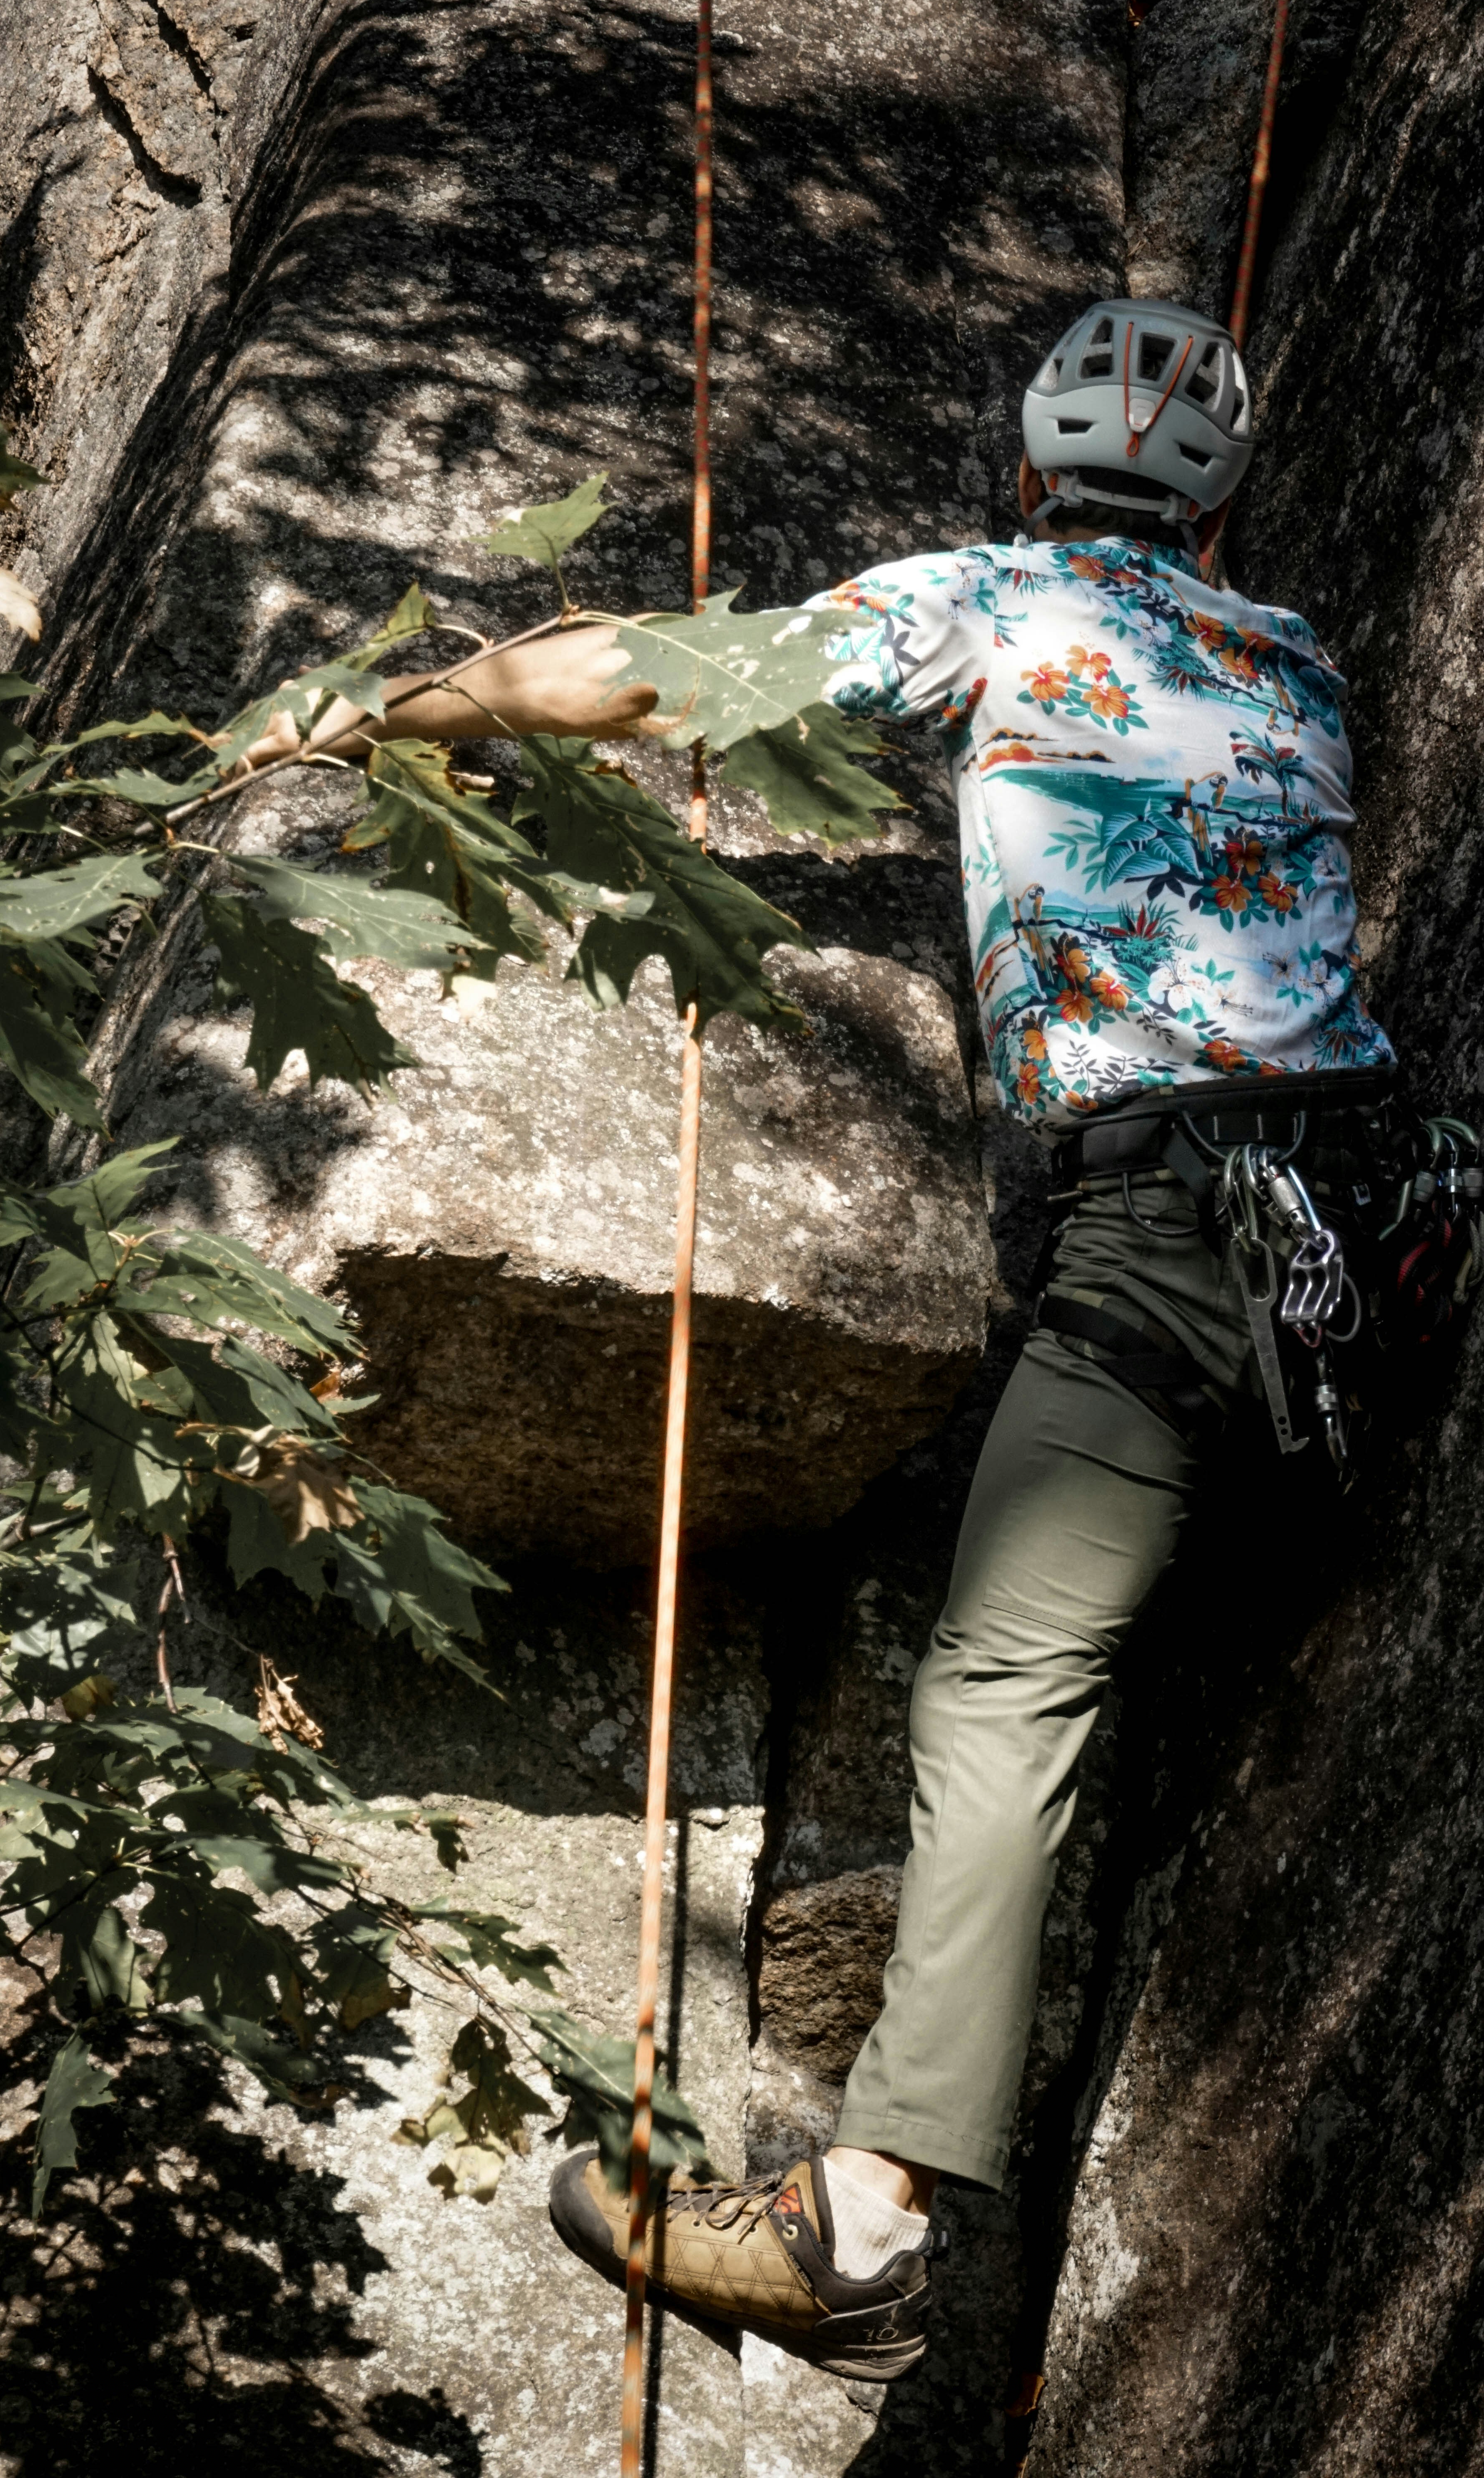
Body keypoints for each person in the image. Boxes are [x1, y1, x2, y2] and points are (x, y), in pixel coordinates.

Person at [240, 299, 1399, 2380]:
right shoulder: (1296, 653)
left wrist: (385, 715)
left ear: (1031, 465)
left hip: (1158, 1225)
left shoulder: (990, 598)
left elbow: (647, 678)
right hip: (1349, 1221)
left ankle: (865, 2226)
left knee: (1008, 1674)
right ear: (1221, 502)